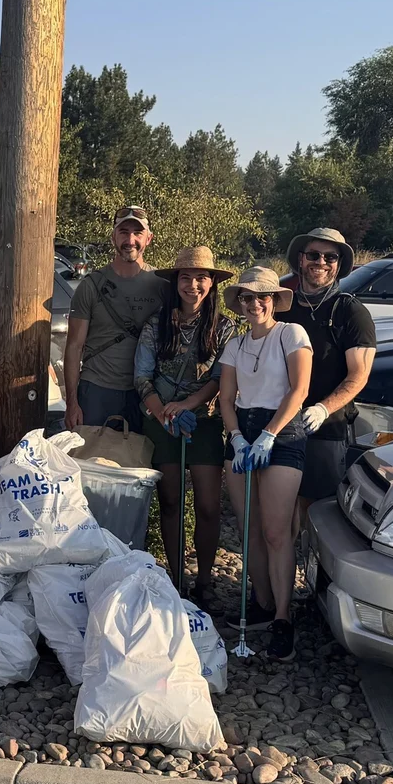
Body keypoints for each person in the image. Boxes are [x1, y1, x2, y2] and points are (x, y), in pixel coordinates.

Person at [218, 268, 312, 662]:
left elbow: (299, 389)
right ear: (239, 302)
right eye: (247, 297)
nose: (255, 304)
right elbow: (226, 398)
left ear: (274, 300)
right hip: (243, 430)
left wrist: (270, 434)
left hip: (283, 431)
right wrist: (238, 437)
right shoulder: (236, 345)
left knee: (277, 533)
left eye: (263, 297)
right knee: (249, 530)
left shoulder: (290, 334)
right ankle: (259, 602)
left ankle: (281, 618)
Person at [134, 246, 237, 603]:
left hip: (205, 421)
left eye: (201, 278)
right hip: (161, 421)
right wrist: (163, 412)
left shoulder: (224, 327)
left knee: (209, 505)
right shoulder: (156, 324)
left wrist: (187, 405)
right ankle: (177, 579)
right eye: (186, 277)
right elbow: (142, 376)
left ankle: (205, 580)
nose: (193, 285)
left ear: (211, 283)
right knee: (171, 501)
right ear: (175, 282)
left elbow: (221, 377)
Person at [276, 228, 376, 518]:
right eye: (313, 255)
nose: (320, 262)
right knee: (281, 513)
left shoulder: (350, 311)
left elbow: (359, 374)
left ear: (339, 264)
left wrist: (322, 409)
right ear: (300, 259)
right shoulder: (281, 306)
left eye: (330, 257)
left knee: (319, 514)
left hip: (326, 430)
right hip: (278, 424)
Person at [64, 204, 169, 433]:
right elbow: (74, 346)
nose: (130, 240)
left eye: (137, 233)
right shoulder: (91, 286)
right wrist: (72, 403)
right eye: (123, 232)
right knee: (91, 463)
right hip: (97, 390)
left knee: (139, 465)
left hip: (145, 394)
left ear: (149, 238)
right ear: (113, 237)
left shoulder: (163, 286)